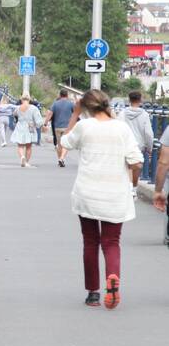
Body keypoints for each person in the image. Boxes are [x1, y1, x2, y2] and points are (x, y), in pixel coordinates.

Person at [59, 89, 144, 308]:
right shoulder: (121, 128)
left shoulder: (83, 126)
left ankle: (93, 293)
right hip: (115, 195)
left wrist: (75, 114)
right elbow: (136, 162)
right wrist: (133, 183)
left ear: (86, 107)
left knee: (90, 242)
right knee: (111, 243)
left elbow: (64, 143)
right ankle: (112, 278)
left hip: (87, 193)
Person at [120, 90, 154, 190]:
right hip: (139, 145)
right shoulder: (144, 115)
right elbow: (148, 133)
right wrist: (149, 146)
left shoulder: (122, 113)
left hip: (125, 144)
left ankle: (126, 186)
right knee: (137, 166)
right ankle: (134, 188)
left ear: (129, 100)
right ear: (140, 100)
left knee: (125, 166)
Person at [10, 94, 45, 167]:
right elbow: (38, 120)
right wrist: (41, 125)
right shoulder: (33, 108)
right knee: (29, 146)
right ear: (29, 100)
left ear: (22, 100)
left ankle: (22, 157)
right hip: (30, 126)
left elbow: (14, 114)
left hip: (20, 126)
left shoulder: (18, 107)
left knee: (20, 145)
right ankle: (26, 162)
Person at [47, 89, 77, 168]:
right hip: (67, 127)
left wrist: (45, 122)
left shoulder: (55, 104)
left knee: (59, 145)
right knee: (66, 144)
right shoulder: (71, 104)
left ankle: (60, 159)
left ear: (60, 95)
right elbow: (75, 114)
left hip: (57, 127)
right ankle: (62, 158)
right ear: (67, 95)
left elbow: (50, 114)